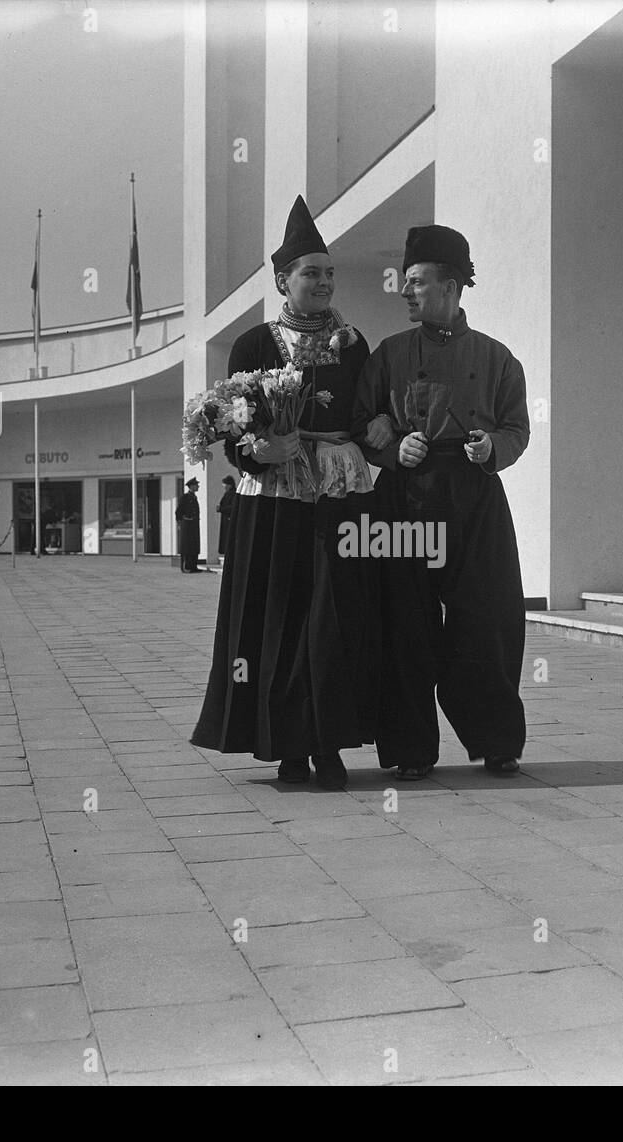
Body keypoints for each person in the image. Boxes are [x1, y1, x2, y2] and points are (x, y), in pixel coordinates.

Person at [191, 195, 392, 788]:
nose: (324, 282)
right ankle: (288, 747)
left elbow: (365, 416)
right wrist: (259, 449)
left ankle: (328, 744)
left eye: (329, 273)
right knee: (274, 616)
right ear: (283, 280)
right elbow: (232, 425)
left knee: (334, 617)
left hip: (337, 499)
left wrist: (377, 429)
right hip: (273, 504)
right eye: (312, 272)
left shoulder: (353, 345)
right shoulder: (254, 346)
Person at [352, 224, 529, 781]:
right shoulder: (389, 355)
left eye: (416, 282)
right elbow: (362, 421)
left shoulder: (499, 359)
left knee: (489, 617)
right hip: (406, 497)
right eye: (405, 282)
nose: (406, 292)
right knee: (406, 620)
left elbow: (517, 429)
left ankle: (497, 741)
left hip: (474, 498)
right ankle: (409, 751)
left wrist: (491, 448)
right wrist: (392, 446)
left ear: (451, 286)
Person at [176, 478, 201, 571]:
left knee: (194, 545)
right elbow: (179, 511)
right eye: (196, 485)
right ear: (192, 486)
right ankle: (186, 566)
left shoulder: (194, 497)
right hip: (187, 525)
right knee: (187, 546)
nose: (198, 487)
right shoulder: (185, 497)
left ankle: (193, 566)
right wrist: (181, 521)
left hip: (194, 524)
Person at [216, 475, 236, 559]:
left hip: (229, 521)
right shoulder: (227, 494)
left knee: (229, 540)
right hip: (226, 520)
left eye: (225, 485)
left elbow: (233, 507)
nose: (224, 487)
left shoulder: (233, 494)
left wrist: (221, 509)